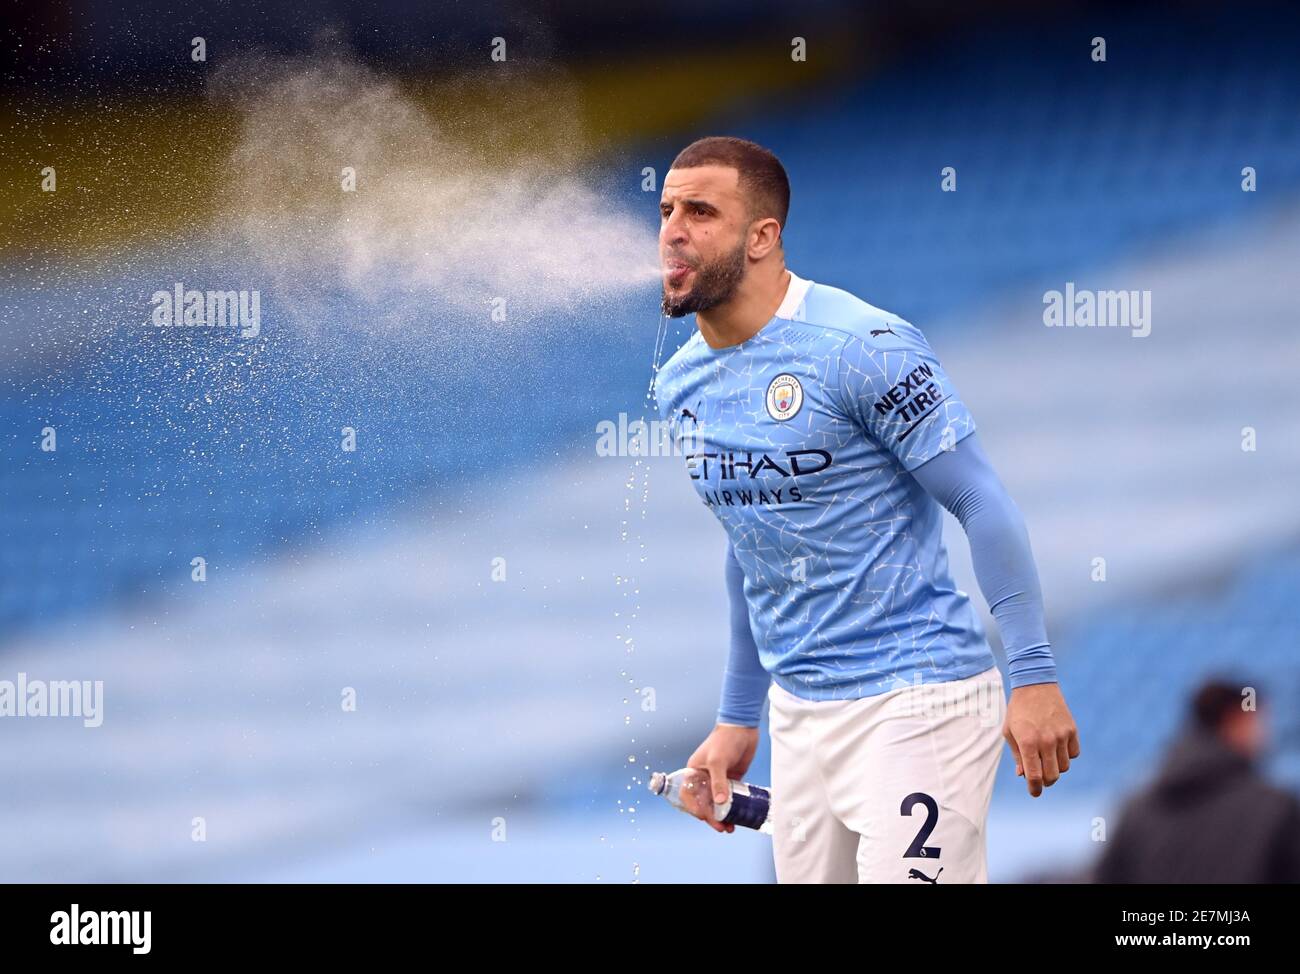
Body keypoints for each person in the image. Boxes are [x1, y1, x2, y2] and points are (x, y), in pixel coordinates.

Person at [652, 135, 1079, 883]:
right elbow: (752, 540)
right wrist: (736, 715)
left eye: (700, 211)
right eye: (665, 210)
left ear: (762, 237)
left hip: (917, 704)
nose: (673, 229)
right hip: (799, 714)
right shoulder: (680, 381)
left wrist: (1034, 675)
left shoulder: (860, 345)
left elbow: (981, 498)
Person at [1093, 677, 1300, 883]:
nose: (1264, 734)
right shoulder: (1275, 808)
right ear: (1237, 720)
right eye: (1258, 722)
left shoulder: (1137, 810)